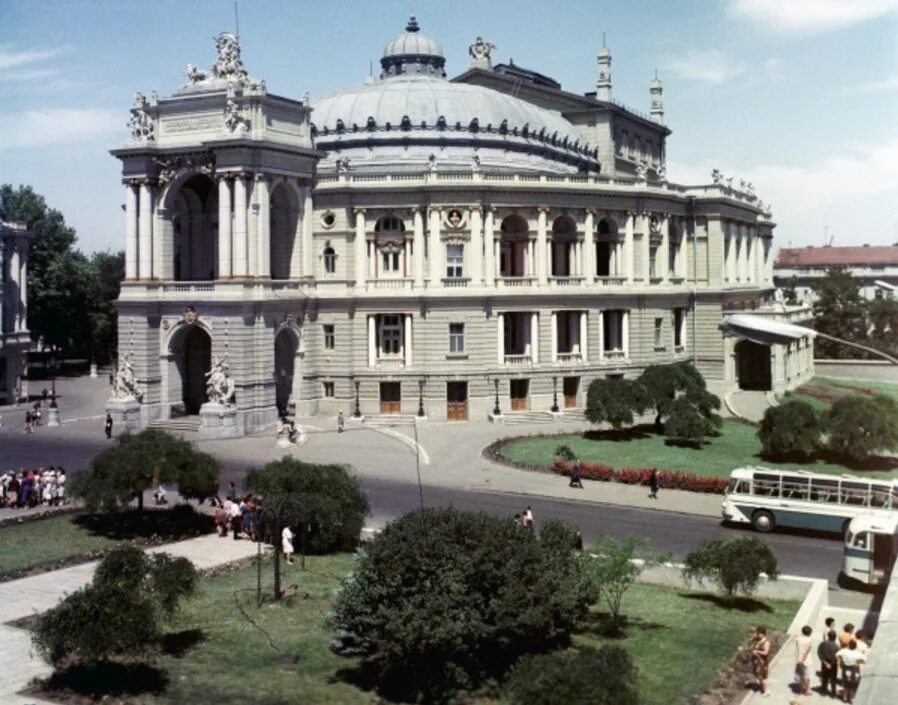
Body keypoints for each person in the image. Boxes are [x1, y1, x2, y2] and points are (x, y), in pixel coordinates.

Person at [836, 639, 865, 704]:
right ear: (855, 646)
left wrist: (842, 661)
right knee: (854, 684)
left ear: (849, 645)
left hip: (846, 668)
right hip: (854, 668)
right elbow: (864, 660)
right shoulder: (857, 653)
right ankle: (851, 698)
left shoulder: (844, 651)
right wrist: (858, 662)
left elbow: (837, 655)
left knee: (846, 683)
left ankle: (845, 697)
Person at [818, 630, 839, 697]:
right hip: (833, 665)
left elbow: (819, 653)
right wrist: (831, 664)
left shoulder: (822, 644)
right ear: (835, 637)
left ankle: (824, 691)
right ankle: (833, 693)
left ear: (828, 636)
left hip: (824, 664)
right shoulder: (836, 646)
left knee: (824, 677)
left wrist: (824, 662)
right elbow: (836, 657)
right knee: (833, 679)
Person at [751, 626, 771, 697]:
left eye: (758, 633)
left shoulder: (766, 642)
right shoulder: (758, 640)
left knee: (762, 676)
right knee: (756, 674)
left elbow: (766, 652)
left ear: (762, 634)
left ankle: (766, 690)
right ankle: (761, 686)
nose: (757, 635)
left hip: (762, 662)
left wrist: (757, 651)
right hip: (756, 660)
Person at [794, 625, 813, 696]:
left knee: (801, 675)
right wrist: (803, 659)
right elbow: (807, 651)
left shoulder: (797, 639)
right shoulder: (809, 640)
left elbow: (796, 650)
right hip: (806, 660)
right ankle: (807, 690)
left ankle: (802, 688)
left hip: (798, 659)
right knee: (807, 676)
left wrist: (797, 659)